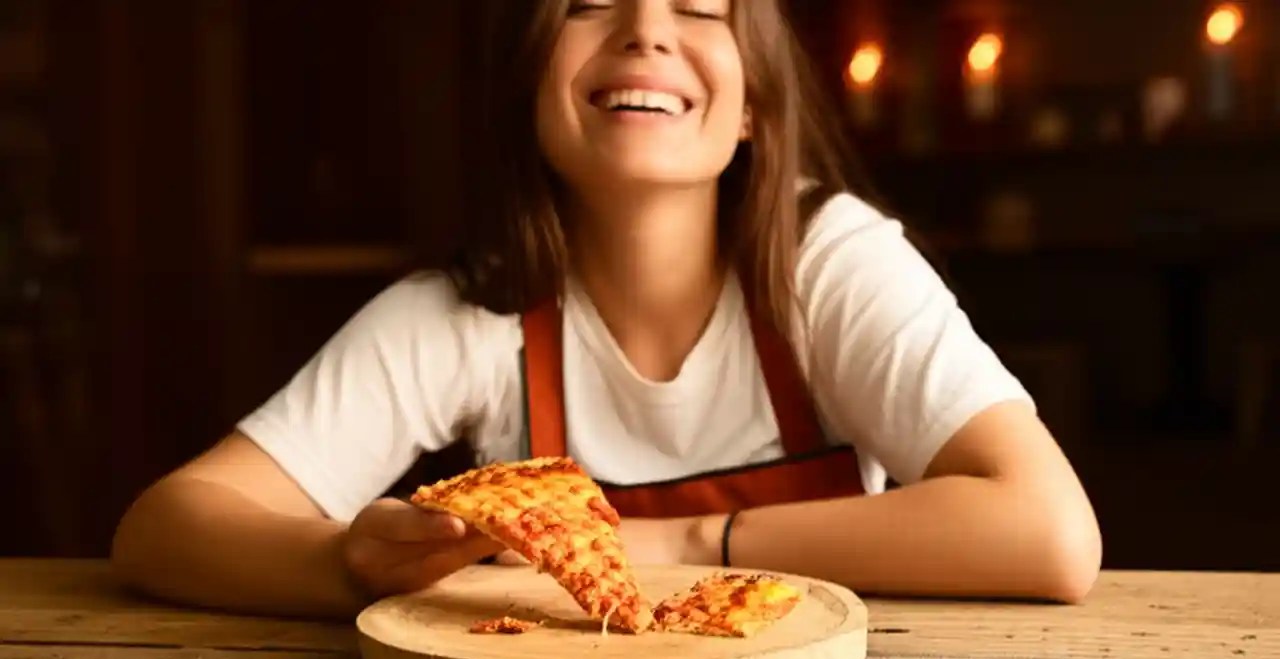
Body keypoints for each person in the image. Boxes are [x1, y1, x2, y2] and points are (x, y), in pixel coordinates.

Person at [110, 0, 1102, 620]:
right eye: (590, 1)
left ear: (753, 102)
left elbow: (1048, 534)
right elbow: (165, 527)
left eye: (702, 6)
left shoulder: (827, 264)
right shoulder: (467, 312)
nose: (645, 25)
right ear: (526, 86)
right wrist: (347, 559)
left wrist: (675, 543)